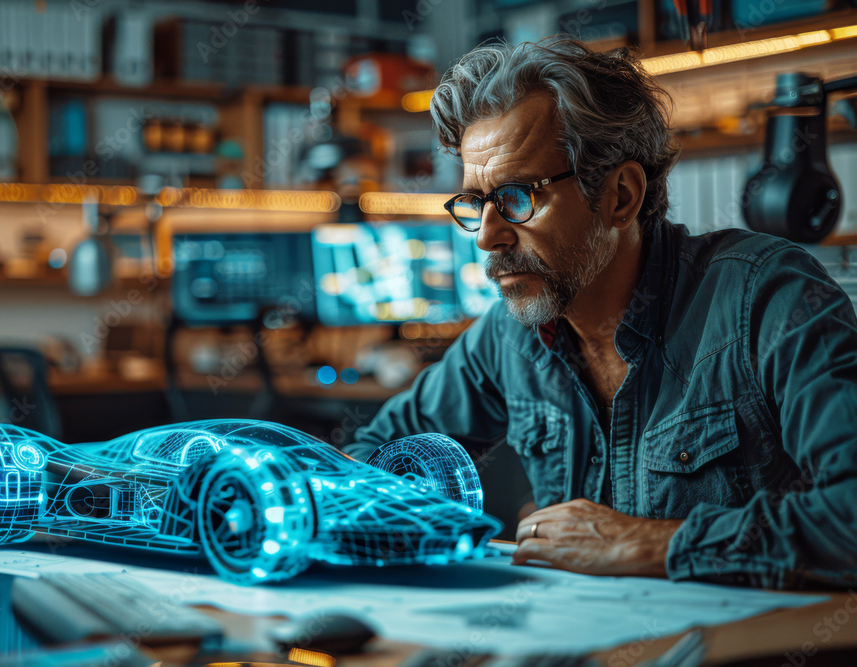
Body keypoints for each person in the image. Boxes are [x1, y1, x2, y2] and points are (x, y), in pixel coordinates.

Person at [344, 38, 857, 590]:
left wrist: (648, 543)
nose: (488, 237)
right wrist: (427, 517)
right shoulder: (508, 337)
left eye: (517, 198)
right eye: (476, 203)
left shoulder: (765, 296)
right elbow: (367, 459)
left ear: (621, 196)